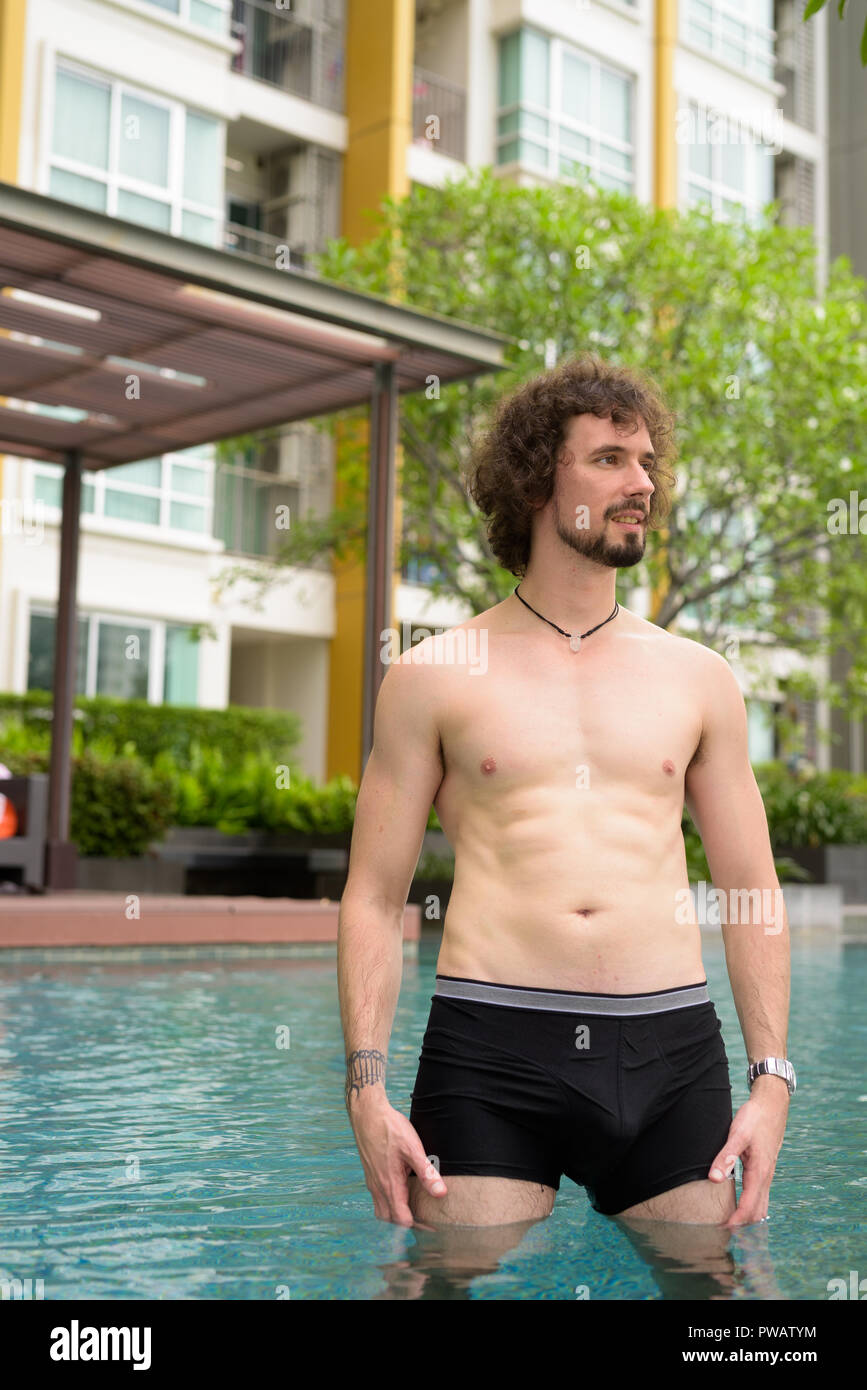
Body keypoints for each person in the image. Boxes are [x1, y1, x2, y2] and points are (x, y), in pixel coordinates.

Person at [338, 355, 793, 1232]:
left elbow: (752, 890)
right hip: (491, 1045)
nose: (642, 484)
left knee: (724, 1311)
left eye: (649, 463)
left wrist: (772, 1080)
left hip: (669, 1051)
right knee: (439, 1292)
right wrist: (365, 1087)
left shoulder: (699, 679)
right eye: (611, 459)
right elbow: (371, 897)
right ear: (535, 478)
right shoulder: (434, 675)